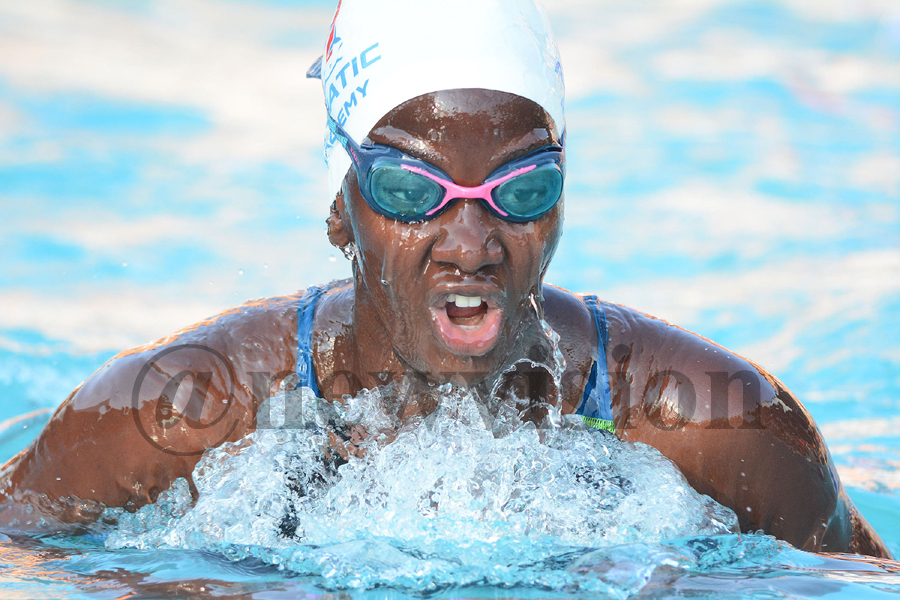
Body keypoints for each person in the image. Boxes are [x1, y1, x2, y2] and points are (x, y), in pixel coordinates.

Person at [0, 0, 890, 558]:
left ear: (564, 203)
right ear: (342, 211)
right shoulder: (180, 408)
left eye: (521, 187)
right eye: (410, 189)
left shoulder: (714, 423)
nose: (471, 240)